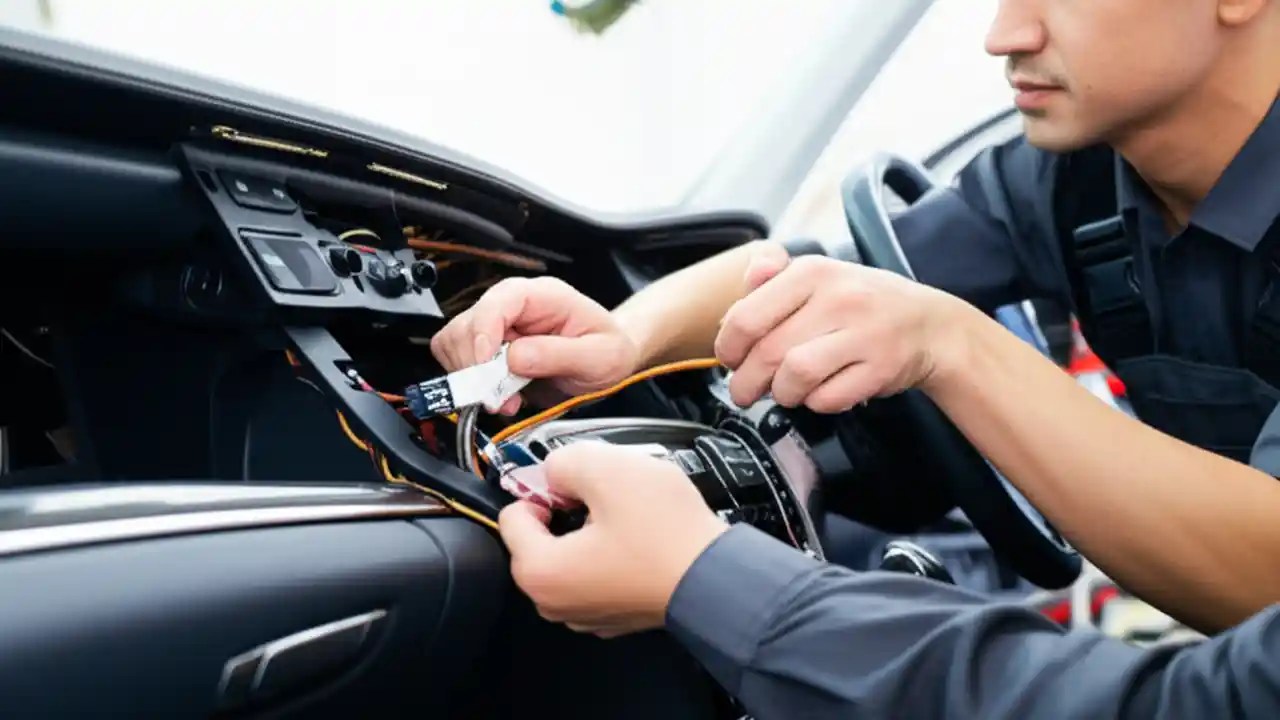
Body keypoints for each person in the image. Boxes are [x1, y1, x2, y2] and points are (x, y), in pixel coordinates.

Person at [432, 0, 1280, 716]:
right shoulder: (1075, 181)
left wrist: (951, 345)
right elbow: (834, 270)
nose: (1004, 33)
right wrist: (625, 339)